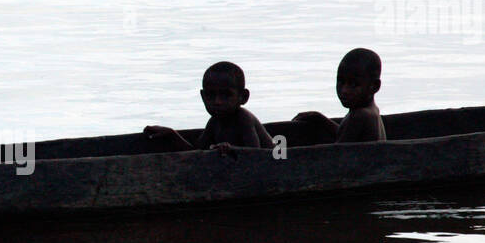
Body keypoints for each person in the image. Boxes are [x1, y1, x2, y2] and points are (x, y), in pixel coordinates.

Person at [144, 61, 275, 153]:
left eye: (226, 95)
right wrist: (172, 135)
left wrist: (231, 149)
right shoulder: (214, 122)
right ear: (202, 96)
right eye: (211, 95)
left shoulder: (244, 119)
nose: (217, 102)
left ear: (243, 97)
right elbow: (197, 152)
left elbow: (257, 153)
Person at [294, 48, 386, 143]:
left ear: (374, 86)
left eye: (353, 84)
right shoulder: (372, 110)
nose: (344, 90)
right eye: (341, 82)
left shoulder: (359, 116)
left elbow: (338, 152)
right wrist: (320, 119)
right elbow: (346, 134)